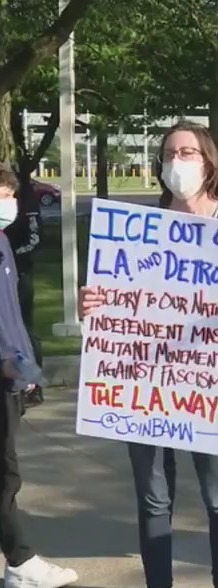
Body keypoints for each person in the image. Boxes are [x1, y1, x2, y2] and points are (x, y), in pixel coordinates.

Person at [77, 121, 218, 588]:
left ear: (210, 162)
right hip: (141, 382)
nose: (177, 161)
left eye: (188, 152)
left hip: (208, 383)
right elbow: (114, 304)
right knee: (153, 499)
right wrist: (90, 305)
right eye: (169, 153)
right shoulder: (135, 231)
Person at [0, 167, 78, 588]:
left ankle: (18, 562)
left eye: (9, 194)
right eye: (0, 193)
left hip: (12, 376)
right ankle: (21, 562)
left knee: (6, 471)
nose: (6, 202)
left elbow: (11, 315)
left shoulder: (3, 245)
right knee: (4, 473)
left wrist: (26, 365)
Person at [5, 171, 43, 408]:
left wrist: (11, 258)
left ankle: (34, 385)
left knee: (25, 329)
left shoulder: (26, 200)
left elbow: (35, 238)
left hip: (20, 275)